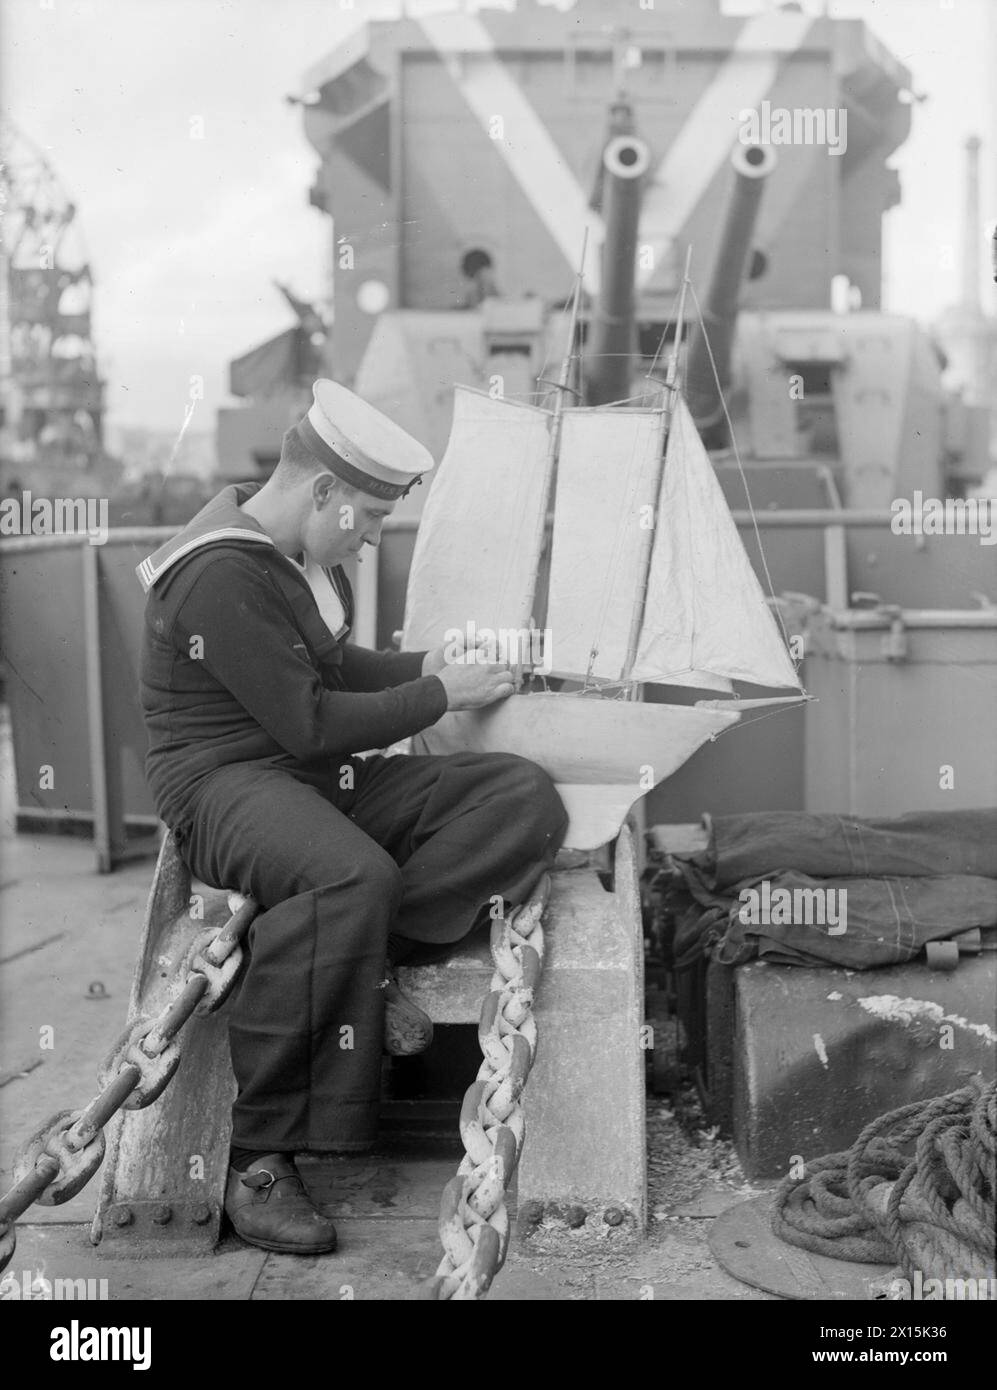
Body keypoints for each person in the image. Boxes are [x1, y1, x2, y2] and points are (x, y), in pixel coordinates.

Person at [137, 379, 567, 1255]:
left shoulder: (288, 555)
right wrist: (440, 693)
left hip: (306, 778)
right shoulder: (219, 570)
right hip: (224, 785)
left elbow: (336, 666)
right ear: (321, 491)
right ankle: (259, 1157)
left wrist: (426, 663)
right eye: (365, 518)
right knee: (349, 875)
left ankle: (346, 951)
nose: (369, 540)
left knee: (521, 798)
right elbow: (310, 718)